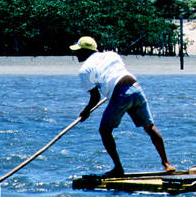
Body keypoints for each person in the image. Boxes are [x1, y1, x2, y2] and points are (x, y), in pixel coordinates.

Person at [71, 35, 173, 177]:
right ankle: (166, 163)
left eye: (78, 51)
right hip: (135, 87)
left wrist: (85, 112)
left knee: (104, 131)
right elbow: (115, 73)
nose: (75, 54)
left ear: (85, 51)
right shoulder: (111, 54)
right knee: (150, 127)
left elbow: (95, 97)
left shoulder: (84, 70)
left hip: (120, 94)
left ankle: (118, 168)